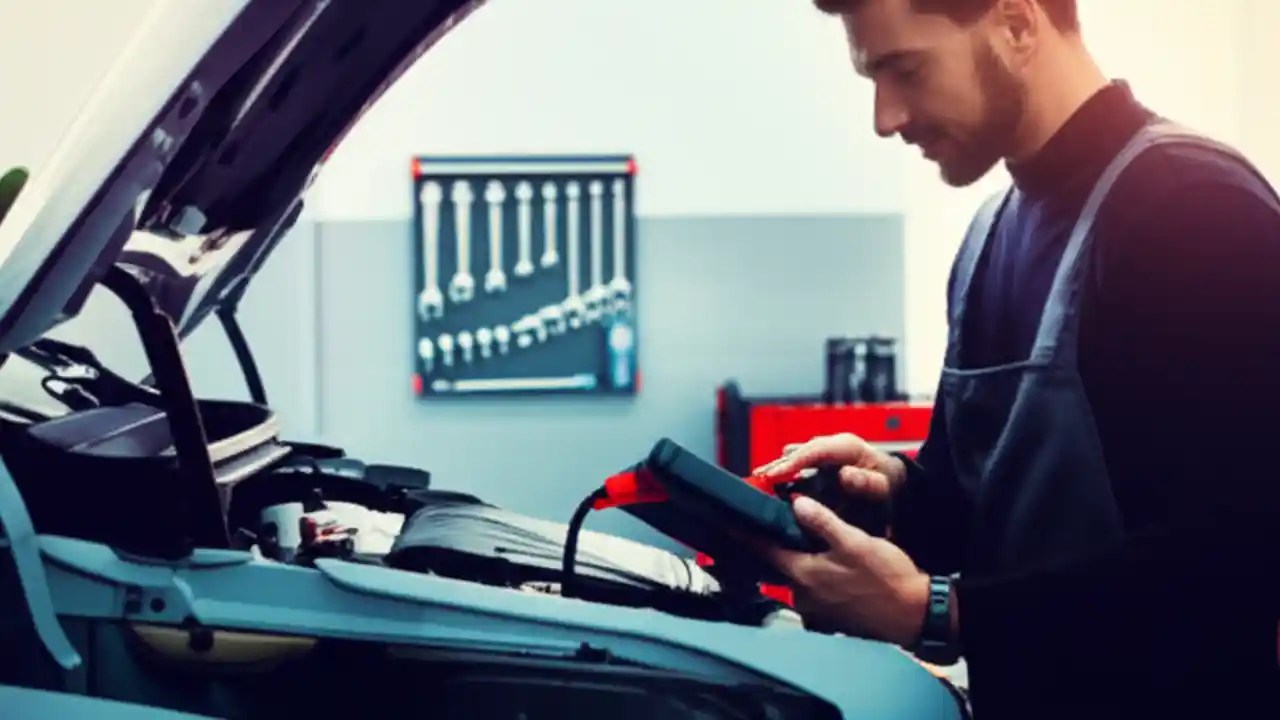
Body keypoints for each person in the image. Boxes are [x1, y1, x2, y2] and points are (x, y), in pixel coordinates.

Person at [750, 0, 1280, 717]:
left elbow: (1235, 564)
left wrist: (936, 611)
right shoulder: (988, 236)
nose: (886, 117)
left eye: (905, 70)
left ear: (1018, 24)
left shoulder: (1195, 212)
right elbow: (996, 514)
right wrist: (899, 491)